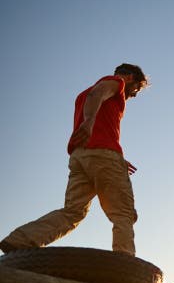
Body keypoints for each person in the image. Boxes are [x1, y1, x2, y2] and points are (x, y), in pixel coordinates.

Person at [0, 64, 148, 256]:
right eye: (136, 88)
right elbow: (98, 94)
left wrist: (115, 156)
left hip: (81, 157)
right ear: (128, 77)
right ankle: (125, 265)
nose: (134, 95)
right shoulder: (115, 83)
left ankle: (20, 240)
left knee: (72, 212)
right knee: (124, 213)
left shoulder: (83, 95)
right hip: (103, 155)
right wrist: (89, 123)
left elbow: (99, 117)